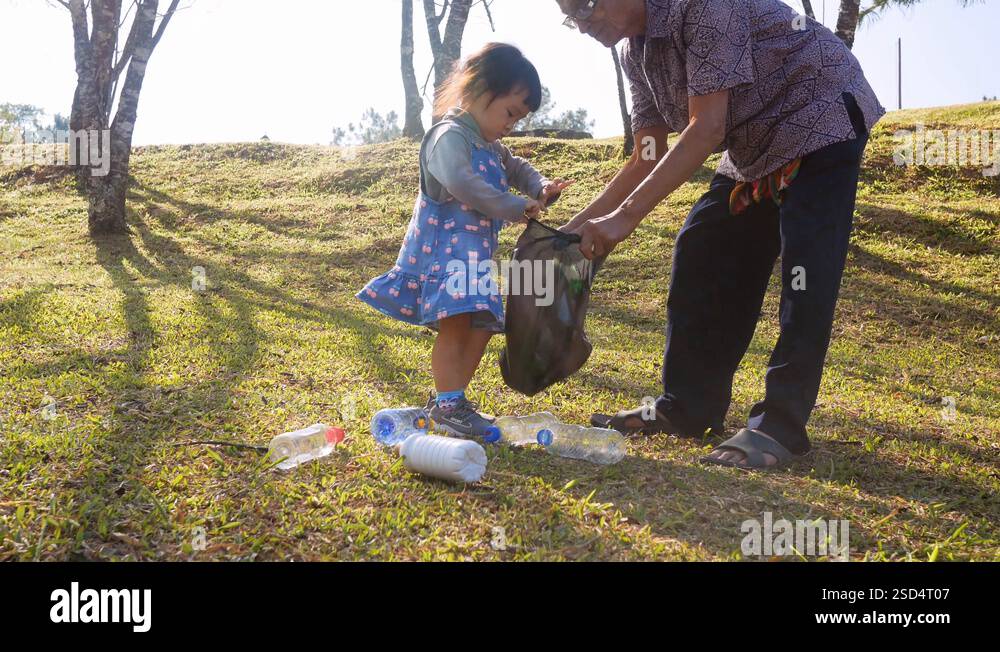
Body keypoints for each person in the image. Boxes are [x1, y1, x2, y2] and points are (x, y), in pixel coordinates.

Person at [555, 0, 886, 469]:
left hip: (818, 111)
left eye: (586, 6)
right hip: (752, 146)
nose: (583, 24)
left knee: (804, 275)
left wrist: (624, 220)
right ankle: (688, 408)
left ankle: (780, 427)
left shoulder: (705, 4)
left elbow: (706, 126)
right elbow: (646, 153)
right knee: (702, 249)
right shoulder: (635, 53)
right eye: (571, 15)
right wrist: (566, 232)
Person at [357, 43, 574, 440]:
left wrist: (542, 187)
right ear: (477, 89)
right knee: (455, 328)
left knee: (482, 327)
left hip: (474, 263)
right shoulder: (448, 136)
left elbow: (518, 168)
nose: (512, 124)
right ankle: (449, 404)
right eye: (510, 112)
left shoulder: (492, 146)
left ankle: (449, 402)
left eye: (520, 119)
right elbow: (460, 182)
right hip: (443, 258)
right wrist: (511, 204)